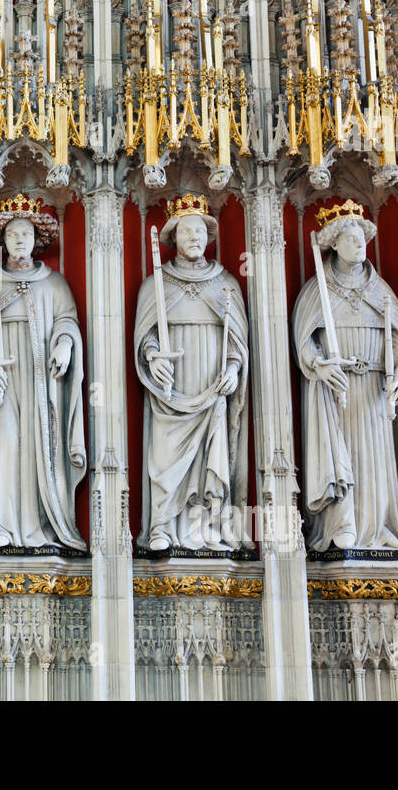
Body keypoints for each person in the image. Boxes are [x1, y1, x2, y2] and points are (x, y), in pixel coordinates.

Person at [291, 200, 398, 552]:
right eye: (350, 238)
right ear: (333, 243)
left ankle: (378, 526)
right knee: (341, 454)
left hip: (375, 387)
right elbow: (303, 341)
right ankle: (341, 522)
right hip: (336, 388)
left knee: (376, 459)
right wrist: (319, 365)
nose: (359, 245)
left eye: (362, 238)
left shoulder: (381, 291)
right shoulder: (317, 290)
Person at [0, 194, 86, 551]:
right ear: (2, 241)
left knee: (41, 448)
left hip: (41, 381)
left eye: (27, 235)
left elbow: (68, 322)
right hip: (2, 378)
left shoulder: (54, 283)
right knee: (4, 442)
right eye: (14, 234)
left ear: (37, 242)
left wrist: (64, 344)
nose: (20, 240)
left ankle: (42, 528)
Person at [134, 194, 248, 551]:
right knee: (166, 456)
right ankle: (162, 526)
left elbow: (237, 338)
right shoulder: (157, 283)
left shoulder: (225, 283)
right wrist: (153, 356)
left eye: (200, 231)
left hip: (211, 383)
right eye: (187, 232)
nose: (195, 238)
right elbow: (145, 335)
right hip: (173, 385)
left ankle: (207, 526)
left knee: (209, 457)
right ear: (173, 239)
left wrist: (232, 366)